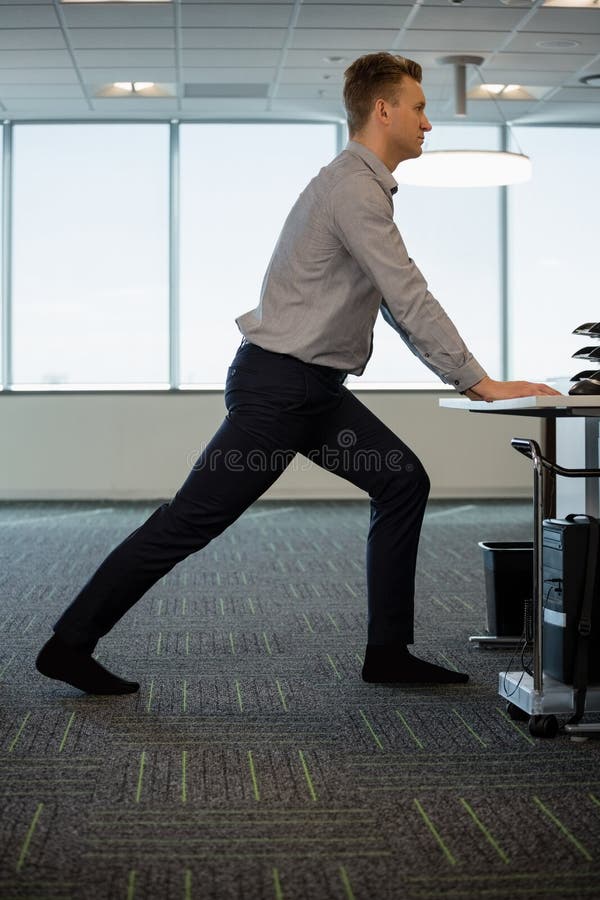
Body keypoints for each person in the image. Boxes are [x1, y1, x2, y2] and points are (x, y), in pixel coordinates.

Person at [36, 52, 560, 695]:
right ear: (383, 109)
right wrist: (478, 381)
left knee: (401, 481)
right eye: (420, 109)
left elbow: (392, 304)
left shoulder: (359, 189)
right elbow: (408, 293)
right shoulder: (353, 189)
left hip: (312, 392)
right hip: (280, 395)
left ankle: (387, 653)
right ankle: (69, 644)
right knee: (190, 521)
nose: (429, 124)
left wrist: (463, 375)